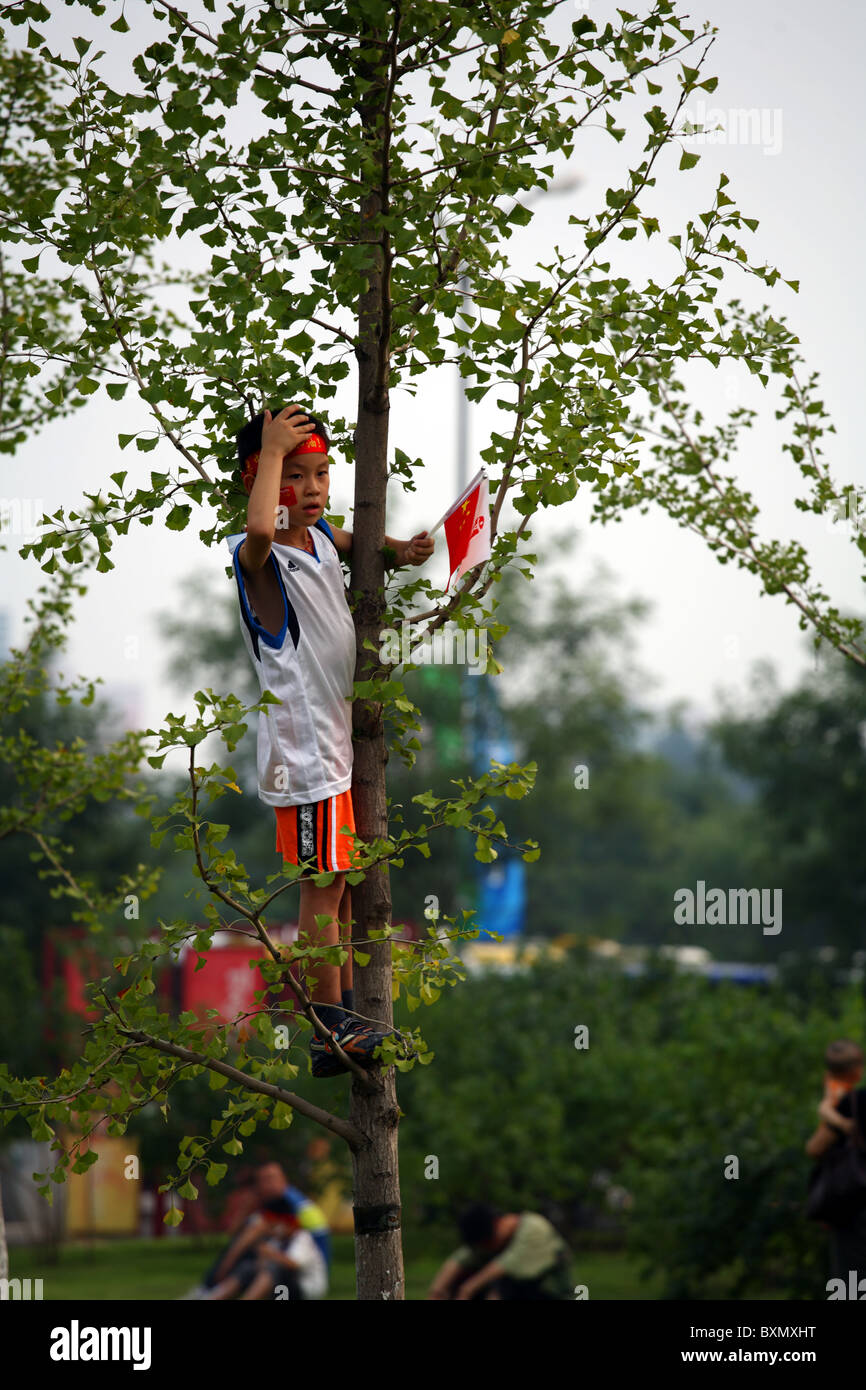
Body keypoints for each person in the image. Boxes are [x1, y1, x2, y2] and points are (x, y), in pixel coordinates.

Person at [228, 404, 435, 1077]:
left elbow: (356, 541)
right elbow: (263, 524)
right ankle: (327, 1026)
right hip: (304, 754)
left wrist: (400, 551)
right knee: (321, 890)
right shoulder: (258, 558)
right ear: (258, 477)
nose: (315, 489)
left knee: (340, 885)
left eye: (322, 473)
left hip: (334, 746)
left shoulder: (319, 540)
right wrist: (268, 449)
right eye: (295, 474)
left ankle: (339, 1017)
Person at [805, 1038, 866, 1285]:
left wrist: (842, 1124)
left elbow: (815, 1148)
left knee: (852, 1284)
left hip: (856, 1205)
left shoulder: (853, 1102)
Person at [427, 1203, 573, 1301]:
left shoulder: (535, 1227)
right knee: (465, 1275)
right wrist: (438, 1290)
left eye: (486, 1244)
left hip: (549, 1293)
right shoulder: (491, 1241)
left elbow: (508, 1264)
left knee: (504, 1282)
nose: (485, 1249)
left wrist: (467, 1289)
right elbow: (463, 1257)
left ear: (498, 1224)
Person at [204, 1208, 328, 1301]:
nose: (278, 1227)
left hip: (304, 1287)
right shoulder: (277, 1241)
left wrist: (269, 1253)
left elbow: (293, 1264)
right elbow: (262, 1263)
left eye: (282, 1223)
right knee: (248, 1267)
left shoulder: (302, 1238)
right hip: (281, 1286)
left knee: (274, 1267)